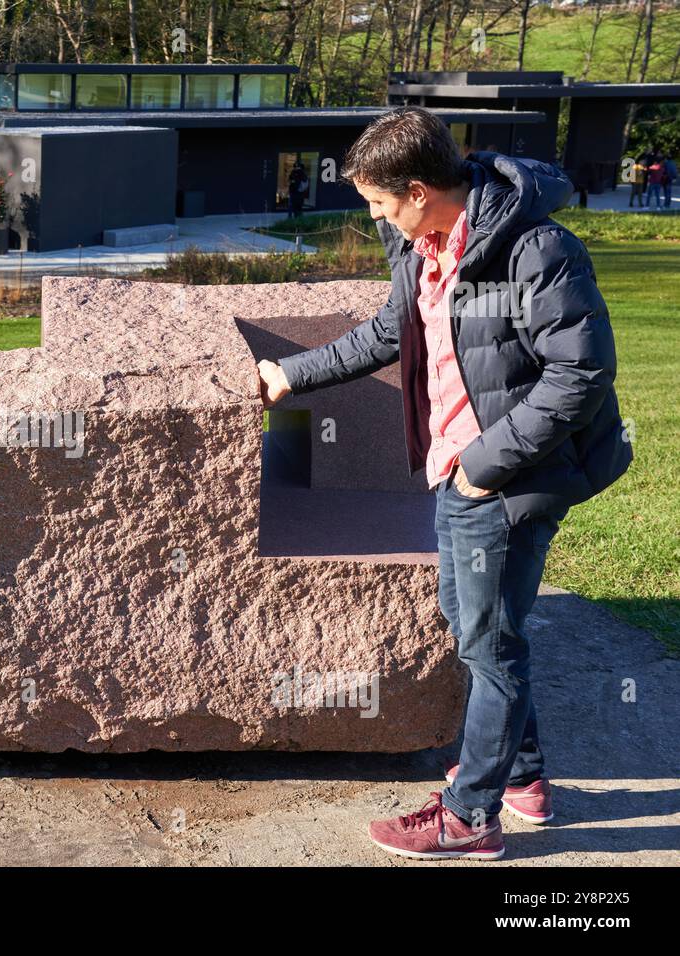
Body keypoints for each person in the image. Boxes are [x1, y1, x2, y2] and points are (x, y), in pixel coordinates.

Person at [256, 107, 632, 860]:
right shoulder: (420, 245)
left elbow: (581, 372)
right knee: (476, 629)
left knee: (490, 644)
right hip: (458, 473)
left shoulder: (538, 248)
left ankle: (470, 816)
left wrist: (485, 464)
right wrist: (290, 375)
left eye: (379, 201)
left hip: (508, 478)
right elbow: (387, 333)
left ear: (420, 189)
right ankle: (520, 778)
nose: (374, 215)